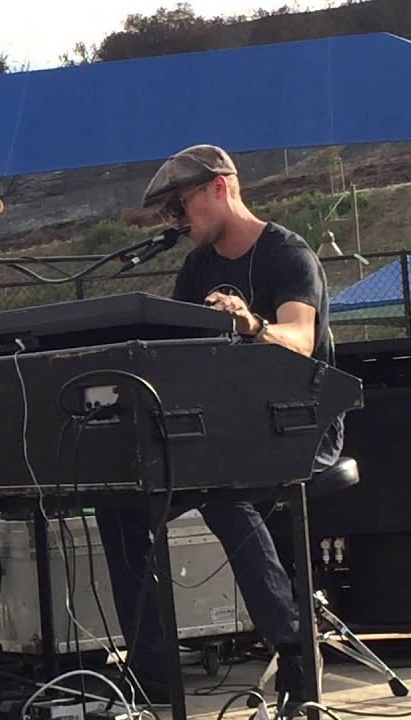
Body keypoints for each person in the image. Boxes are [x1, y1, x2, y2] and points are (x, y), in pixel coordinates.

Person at [95, 144, 341, 712]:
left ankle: (293, 644)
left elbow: (301, 339)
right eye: (169, 216)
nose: (177, 223)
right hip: (226, 435)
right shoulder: (198, 268)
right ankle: (153, 670)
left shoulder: (288, 253)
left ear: (219, 189)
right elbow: (176, 353)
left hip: (302, 426)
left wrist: (251, 322)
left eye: (181, 207)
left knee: (223, 492)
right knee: (123, 505)